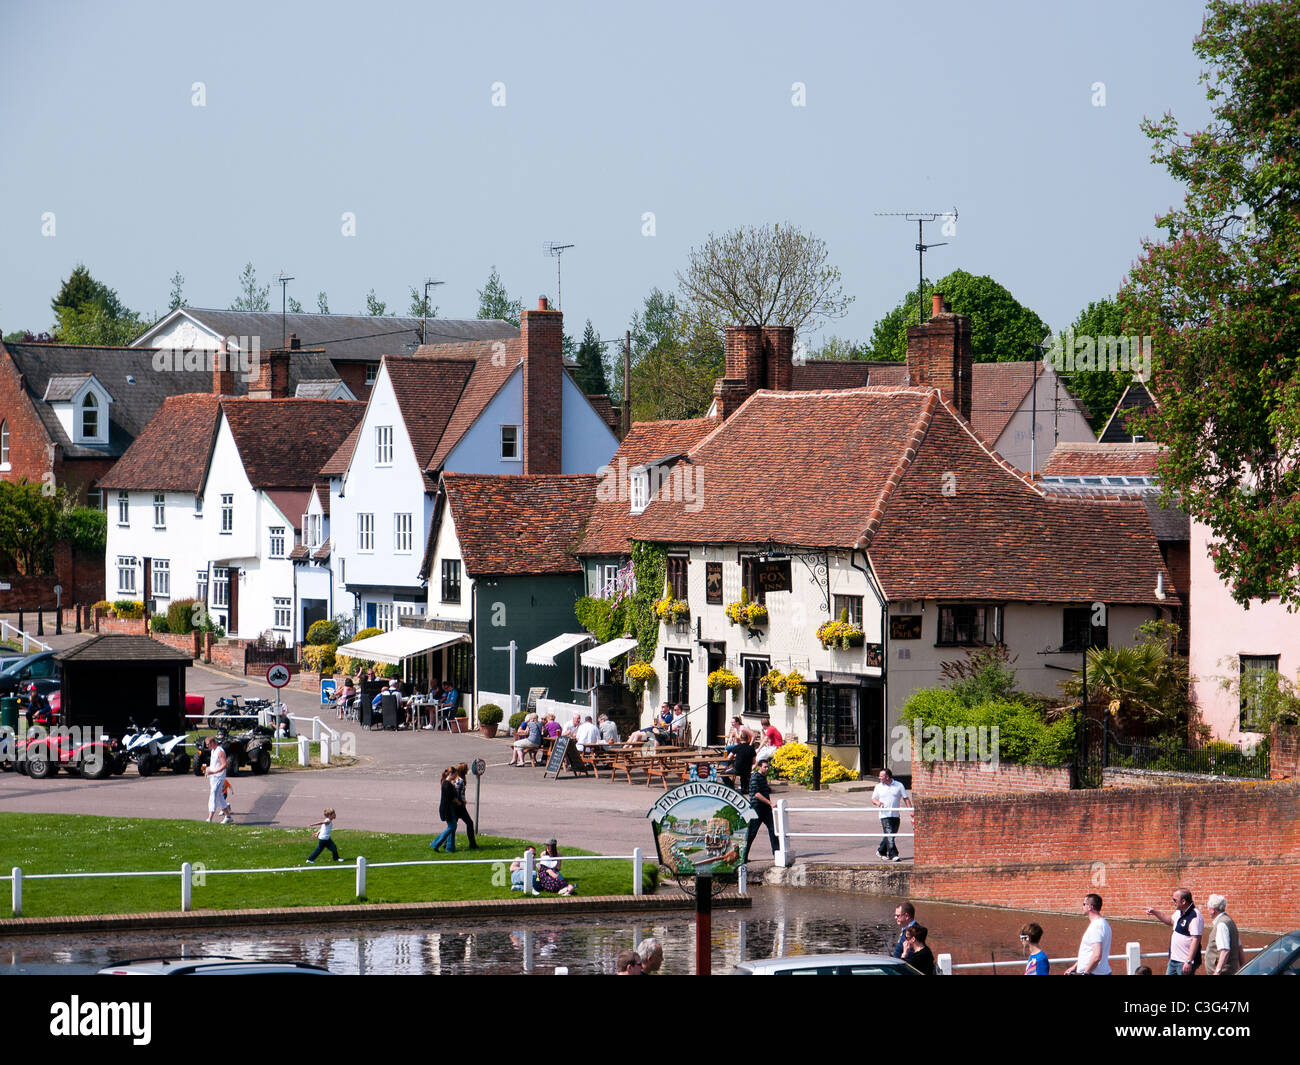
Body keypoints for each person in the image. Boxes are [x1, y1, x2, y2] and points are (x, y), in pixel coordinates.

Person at [1146, 887, 1203, 975]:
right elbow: (1170, 921)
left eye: (1175, 900)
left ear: (1183, 901)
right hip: (1174, 960)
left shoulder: (1195, 916)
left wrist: (1189, 961)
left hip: (1184, 962)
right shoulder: (1179, 912)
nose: (1173, 902)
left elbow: (1196, 939)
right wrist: (1154, 912)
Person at [1064, 893, 1112, 975]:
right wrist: (1075, 966)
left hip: (1094, 973)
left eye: (1084, 904)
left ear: (1090, 907)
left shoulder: (1096, 926)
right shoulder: (1103, 923)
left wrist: (1086, 972)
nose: (1082, 907)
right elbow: (1088, 951)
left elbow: (1097, 955)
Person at [871, 768, 910, 862]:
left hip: (895, 814)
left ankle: (881, 851)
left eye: (881, 776)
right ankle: (893, 854)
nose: (879, 778)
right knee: (889, 834)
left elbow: (906, 798)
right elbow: (873, 799)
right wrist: (878, 803)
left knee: (890, 835)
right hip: (884, 814)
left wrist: (911, 810)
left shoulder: (899, 785)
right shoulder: (878, 786)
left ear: (887, 777)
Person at [744, 756, 779, 860]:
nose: (767, 769)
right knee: (751, 833)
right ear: (759, 767)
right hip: (756, 808)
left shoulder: (763, 776)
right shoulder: (755, 777)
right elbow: (756, 794)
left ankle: (777, 854)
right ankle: (743, 856)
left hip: (765, 809)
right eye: (765, 767)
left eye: (768, 767)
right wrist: (770, 803)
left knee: (773, 830)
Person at [1205, 894, 1245, 976]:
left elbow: (1225, 951)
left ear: (1212, 910)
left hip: (1223, 972)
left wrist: (1217, 972)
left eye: (1208, 907)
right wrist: (1243, 968)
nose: (1207, 910)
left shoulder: (1221, 925)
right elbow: (1239, 947)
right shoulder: (1229, 921)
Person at [201, 736, 232, 824]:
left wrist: (214, 771)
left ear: (212, 743)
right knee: (219, 797)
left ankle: (210, 818)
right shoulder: (213, 751)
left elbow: (224, 765)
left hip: (219, 777)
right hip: (213, 777)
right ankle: (228, 816)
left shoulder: (220, 751)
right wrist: (207, 769)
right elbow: (215, 765)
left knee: (213, 795)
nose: (207, 746)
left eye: (208, 744)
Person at [430, 767, 458, 852]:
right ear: (451, 774)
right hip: (447, 809)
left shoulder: (446, 783)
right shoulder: (447, 784)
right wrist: (459, 802)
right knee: (452, 826)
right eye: (455, 774)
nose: (456, 776)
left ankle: (450, 848)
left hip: (448, 808)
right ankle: (435, 843)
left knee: (452, 827)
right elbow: (452, 798)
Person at [454, 762, 478, 848]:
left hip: (458, 805)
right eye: (466, 769)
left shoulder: (459, 779)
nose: (468, 770)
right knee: (469, 823)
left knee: (453, 825)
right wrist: (462, 801)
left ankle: (446, 843)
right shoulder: (460, 780)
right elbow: (456, 793)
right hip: (459, 806)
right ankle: (472, 844)